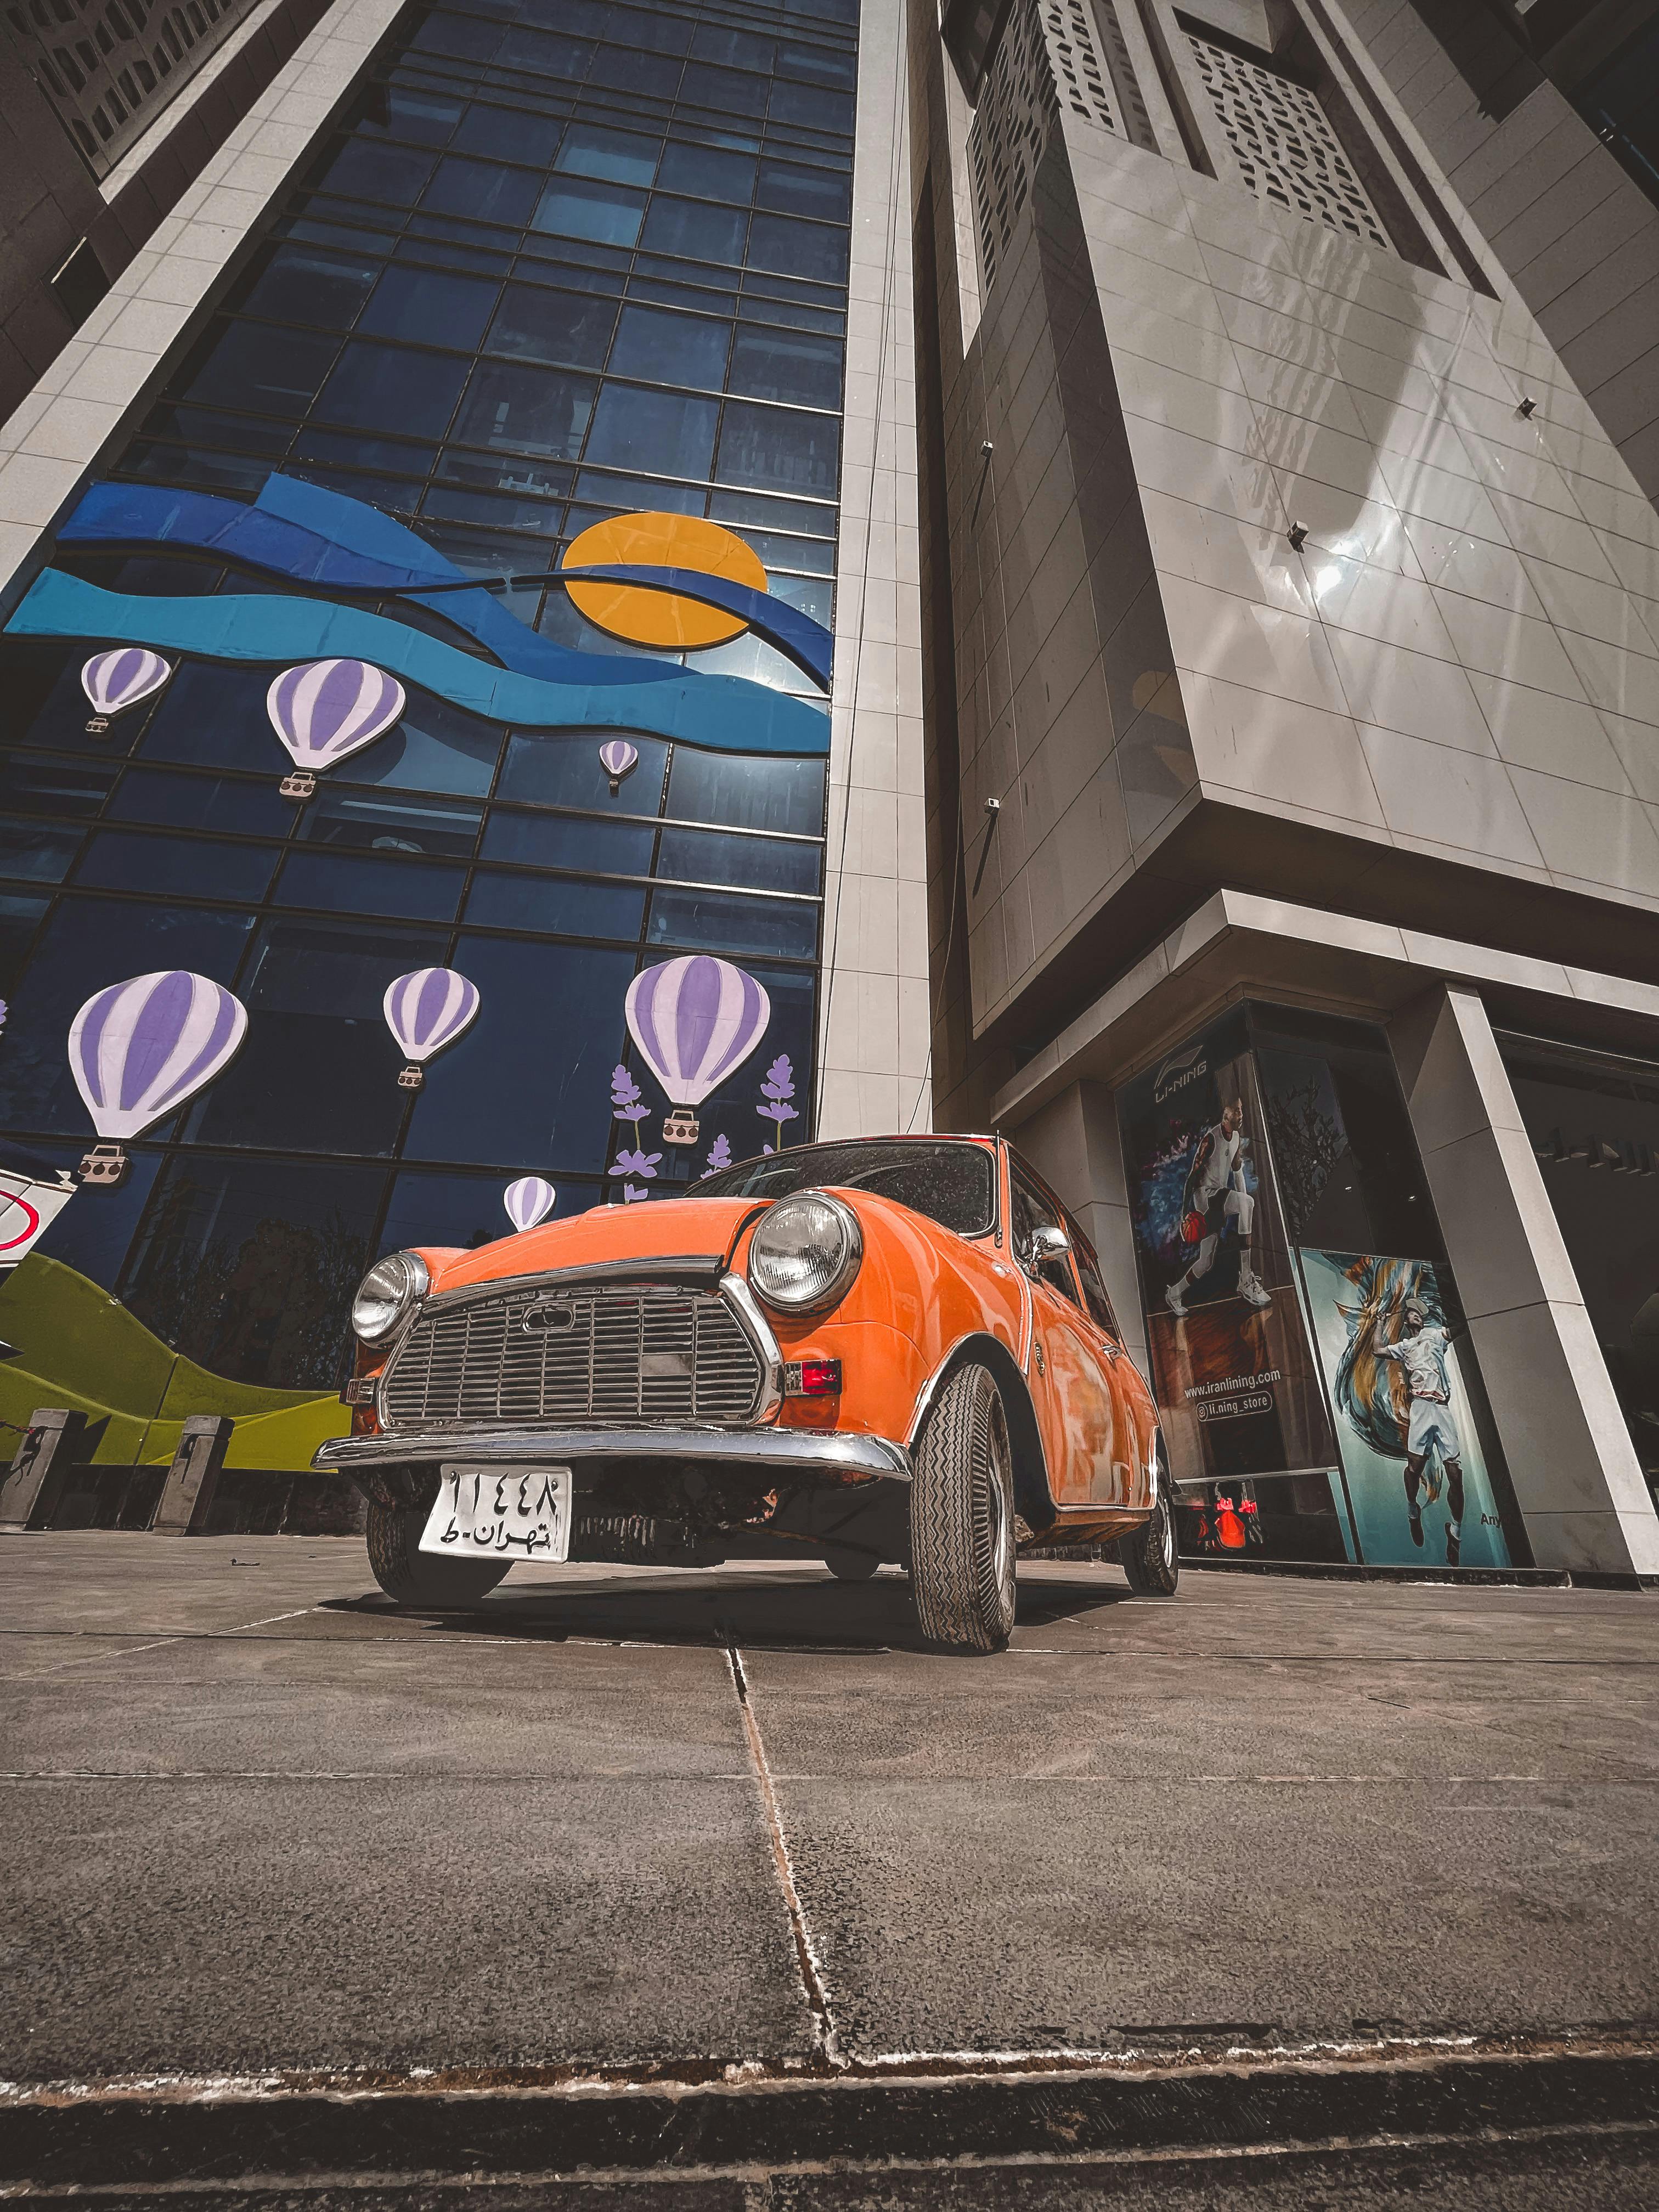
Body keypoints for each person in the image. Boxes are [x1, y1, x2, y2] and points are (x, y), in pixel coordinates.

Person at [1375, 1294, 1464, 1565]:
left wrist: (1466, 1309)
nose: (1418, 1315)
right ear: (1406, 1320)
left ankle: (1456, 1533)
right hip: (1421, 1408)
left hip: (1442, 1407)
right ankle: (1414, 1511)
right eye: (1413, 1314)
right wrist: (1379, 1324)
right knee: (1414, 1467)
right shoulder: (1404, 1346)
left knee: (1456, 1474)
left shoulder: (1436, 1335)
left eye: (1420, 1314)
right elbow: (1377, 1350)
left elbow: (1459, 1328)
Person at [1165, 1097, 1272, 1316]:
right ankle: (1245, 1277)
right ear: (1225, 1114)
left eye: (1241, 1110)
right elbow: (1193, 1177)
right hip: (1205, 1198)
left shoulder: (1235, 1139)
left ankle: (1174, 1293)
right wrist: (1185, 1214)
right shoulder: (1211, 1139)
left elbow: (1237, 1170)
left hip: (1219, 1197)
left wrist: (1243, 1202)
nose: (1241, 1115)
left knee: (1206, 1262)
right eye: (1237, 1111)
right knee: (1246, 1204)